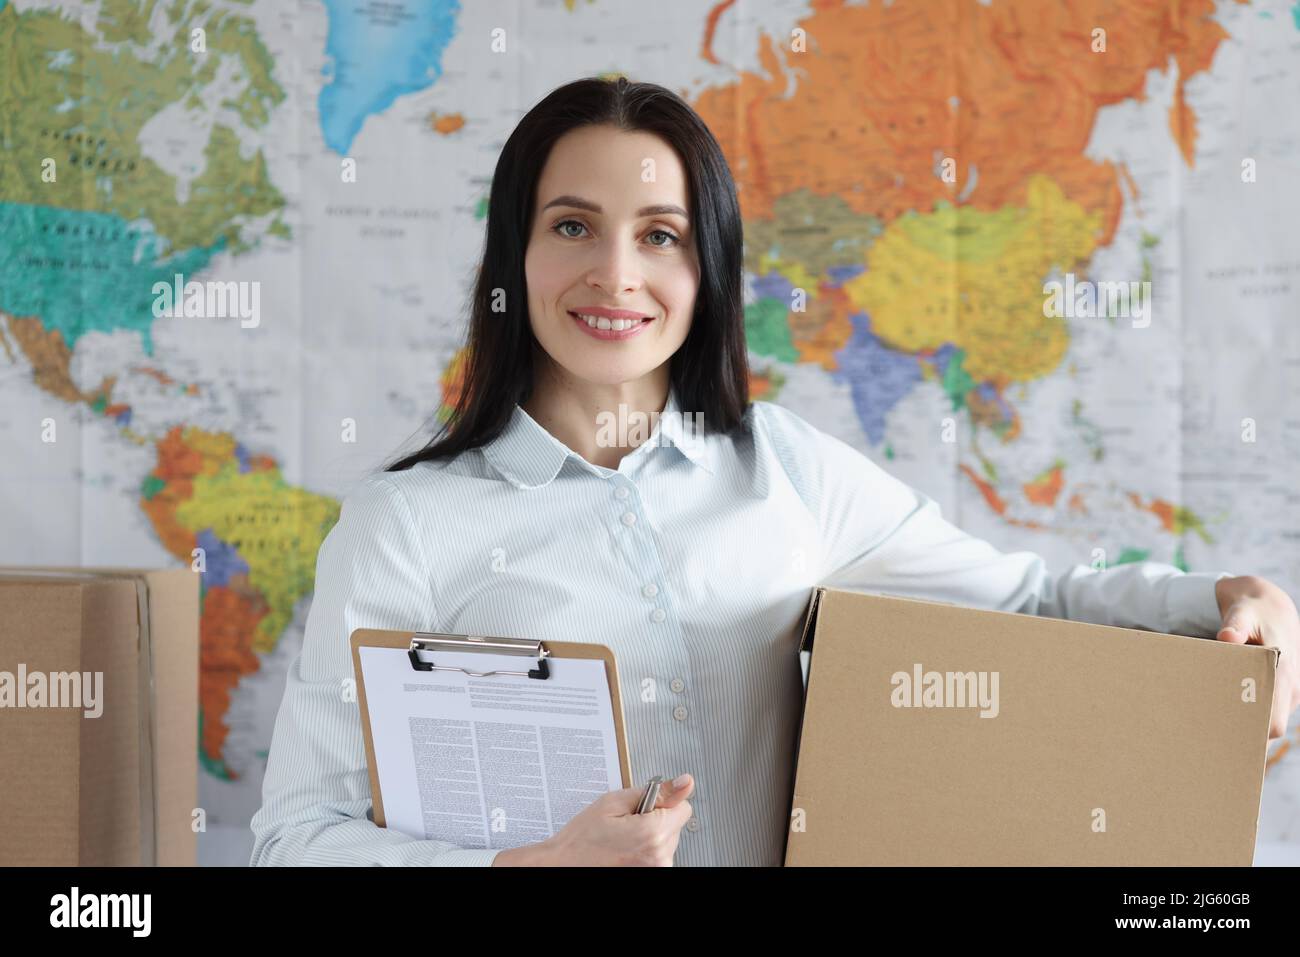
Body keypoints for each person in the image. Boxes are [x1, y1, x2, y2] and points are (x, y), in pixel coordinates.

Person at [249, 75, 1299, 867]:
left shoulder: (784, 467)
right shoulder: (407, 522)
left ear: (706, 269)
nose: (615, 272)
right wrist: (521, 868)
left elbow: (1025, 604)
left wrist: (1218, 598)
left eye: (660, 236)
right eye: (572, 226)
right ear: (512, 257)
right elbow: (296, 837)